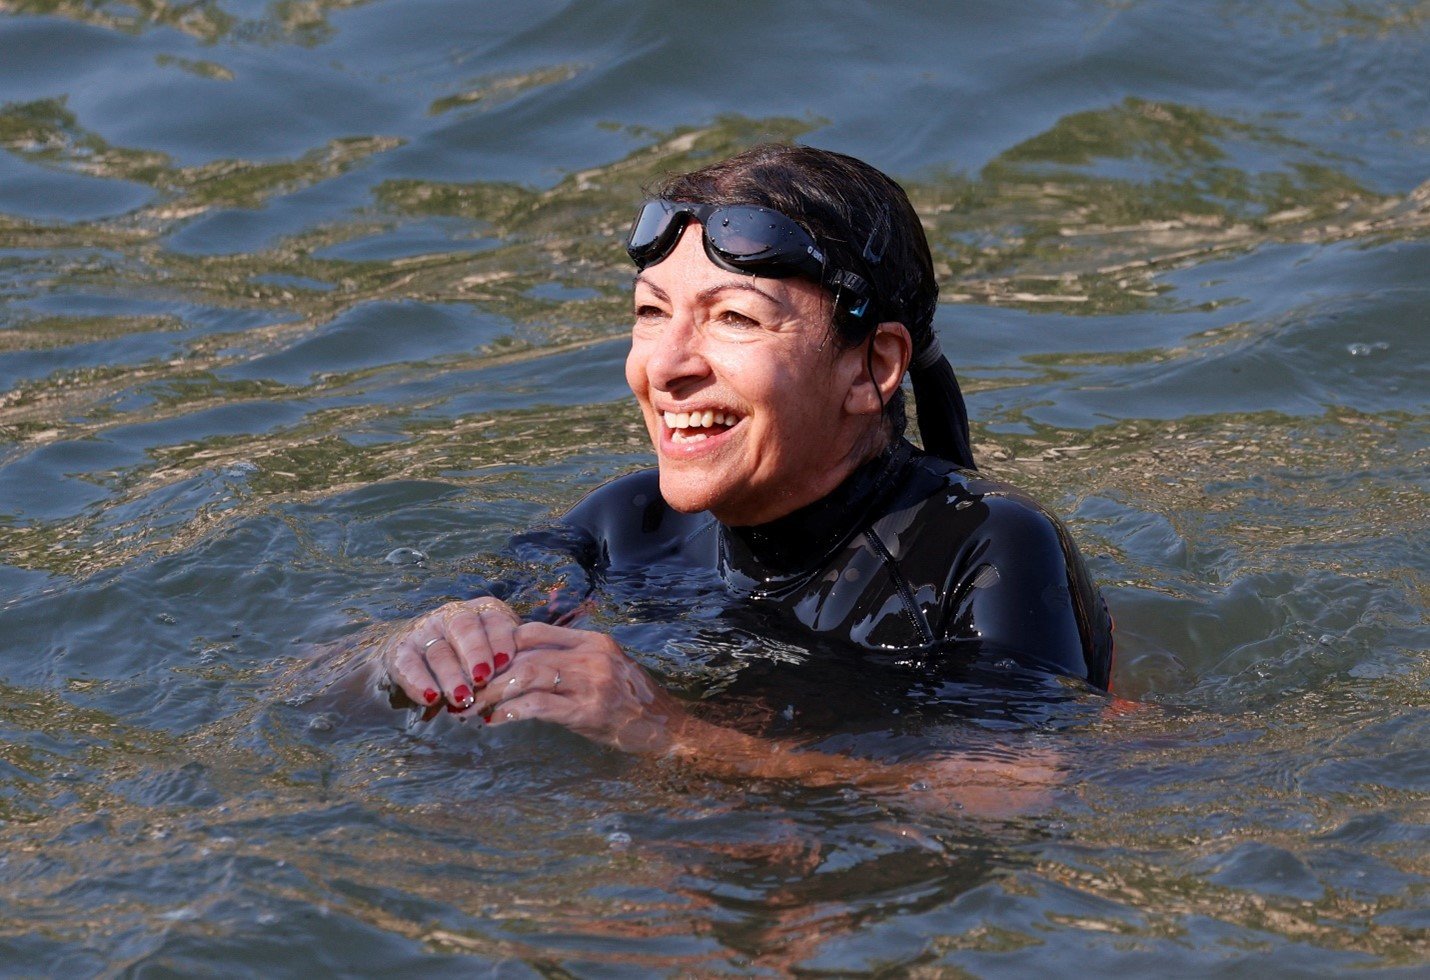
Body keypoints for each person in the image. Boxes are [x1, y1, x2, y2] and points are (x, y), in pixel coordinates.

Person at [363, 144, 1113, 798]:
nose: (664, 366)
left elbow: (1015, 789)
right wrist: (420, 643)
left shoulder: (980, 548)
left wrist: (668, 732)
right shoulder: (629, 526)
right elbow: (328, 673)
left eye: (734, 318)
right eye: (652, 312)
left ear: (872, 368)